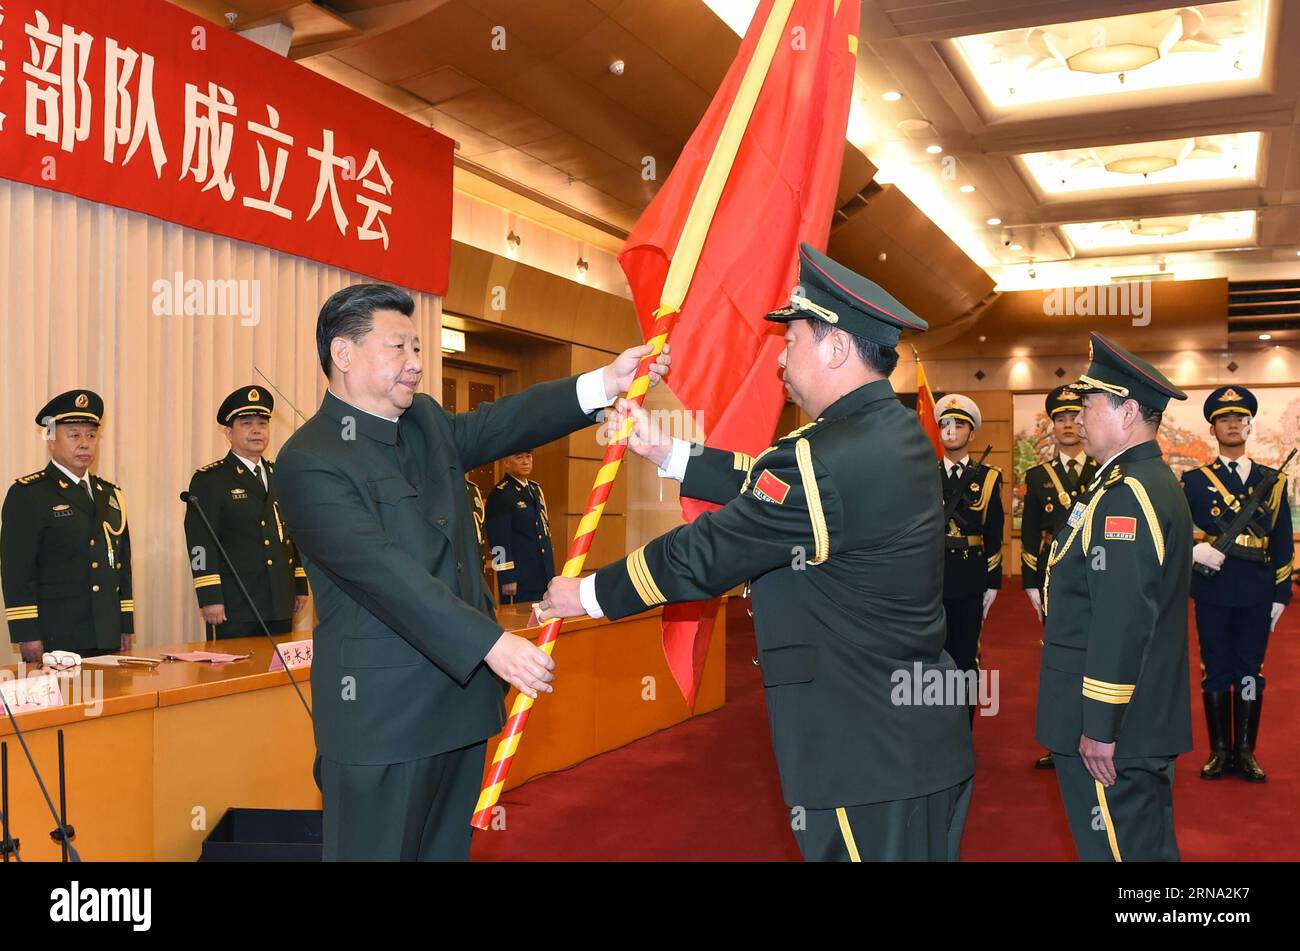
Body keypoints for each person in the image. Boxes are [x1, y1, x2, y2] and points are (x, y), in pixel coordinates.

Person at [537, 243, 974, 862]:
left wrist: (584, 594)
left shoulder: (828, 457)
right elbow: (772, 490)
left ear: (836, 347)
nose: (779, 358)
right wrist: (670, 454)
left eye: (791, 339)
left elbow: (706, 553)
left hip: (862, 760)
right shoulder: (892, 432)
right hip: (916, 744)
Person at [273, 282, 669, 861]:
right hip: (383, 720)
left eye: (417, 348)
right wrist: (491, 644)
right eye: (399, 348)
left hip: (458, 704)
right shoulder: (311, 459)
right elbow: (384, 576)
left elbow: (503, 422)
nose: (415, 365)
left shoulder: (426, 423)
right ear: (343, 353)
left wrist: (604, 383)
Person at [1036, 332, 1192, 862]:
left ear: (1127, 412)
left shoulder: (1129, 495)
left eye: (1088, 404)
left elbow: (1122, 617)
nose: (1077, 417)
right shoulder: (1128, 483)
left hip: (1114, 731)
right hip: (1133, 720)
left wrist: (1099, 725)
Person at [1181, 385, 1292, 783]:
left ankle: (1245, 751)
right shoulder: (1193, 481)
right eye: (1224, 419)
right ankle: (1218, 751)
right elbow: (1177, 531)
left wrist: (1281, 593)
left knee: (1249, 671)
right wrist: (1193, 553)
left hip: (1257, 589)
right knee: (1214, 668)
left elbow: (1281, 541)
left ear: (1249, 426)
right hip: (1212, 588)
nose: (1232, 424)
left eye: (1239, 418)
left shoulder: (1272, 481)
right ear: (1213, 428)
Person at [2, 390, 133, 661]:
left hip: (105, 632)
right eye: (74, 435)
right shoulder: (29, 493)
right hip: (57, 633)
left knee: (111, 702)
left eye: (91, 435)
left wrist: (124, 623)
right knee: (69, 702)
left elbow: (122, 565)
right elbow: (17, 571)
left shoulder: (110, 494)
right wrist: (27, 632)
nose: (84, 444)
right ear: (51, 440)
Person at [184, 386, 309, 640]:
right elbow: (200, 542)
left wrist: (298, 584)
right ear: (228, 432)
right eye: (247, 423)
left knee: (276, 677)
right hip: (234, 604)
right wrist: (209, 596)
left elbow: (292, 534)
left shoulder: (280, 476)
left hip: (279, 599)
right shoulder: (211, 480)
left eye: (263, 423)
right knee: (234, 674)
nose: (257, 430)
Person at [1020, 385, 1098, 768]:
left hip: (1097, 574)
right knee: (1060, 659)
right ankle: (1061, 738)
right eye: (1060, 419)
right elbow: (1032, 533)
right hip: (1055, 579)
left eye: (1073, 417)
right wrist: (1031, 583)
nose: (1068, 425)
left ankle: (1097, 732)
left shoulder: (1104, 470)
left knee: (1097, 654)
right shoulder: (1038, 477)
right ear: (1052, 426)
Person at [936, 394, 1002, 727]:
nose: (950, 431)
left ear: (971, 433)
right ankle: (936, 724)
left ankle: (963, 725)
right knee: (933, 657)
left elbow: (994, 532)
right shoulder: (924, 475)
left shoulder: (988, 478)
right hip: (932, 580)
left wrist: (993, 582)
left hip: (969, 578)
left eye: (958, 425)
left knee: (965, 657)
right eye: (944, 425)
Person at [485, 450, 555, 603]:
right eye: (519, 458)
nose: (525, 462)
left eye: (528, 457)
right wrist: (506, 576)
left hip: (542, 572)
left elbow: (543, 532)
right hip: (519, 577)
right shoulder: (500, 494)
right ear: (506, 462)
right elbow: (498, 541)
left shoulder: (535, 489)